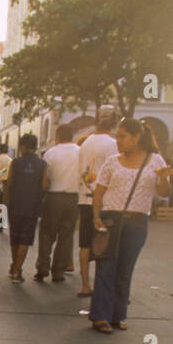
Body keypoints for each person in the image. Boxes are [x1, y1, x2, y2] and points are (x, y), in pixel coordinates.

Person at [89, 118, 173, 332]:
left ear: (137, 137)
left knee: (125, 270)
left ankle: (118, 315)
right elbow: (99, 191)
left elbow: (164, 193)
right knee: (106, 268)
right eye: (117, 136)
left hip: (137, 221)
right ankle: (100, 316)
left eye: (123, 136)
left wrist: (164, 179)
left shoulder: (155, 161)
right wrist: (96, 216)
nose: (118, 141)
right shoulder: (112, 161)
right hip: (111, 218)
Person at [77, 110, 118, 297]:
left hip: (84, 199)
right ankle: (104, 288)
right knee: (105, 245)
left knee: (84, 244)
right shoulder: (113, 144)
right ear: (112, 128)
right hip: (104, 202)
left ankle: (85, 285)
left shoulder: (85, 143)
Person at [35, 124, 80, 282]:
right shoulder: (80, 152)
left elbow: (45, 181)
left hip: (53, 197)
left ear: (58, 136)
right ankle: (58, 271)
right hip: (73, 198)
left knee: (47, 234)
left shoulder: (50, 153)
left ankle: (43, 267)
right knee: (66, 236)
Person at [4, 134, 47, 282]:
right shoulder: (42, 164)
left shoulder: (15, 163)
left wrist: (4, 204)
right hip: (32, 206)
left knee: (14, 237)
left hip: (15, 205)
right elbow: (44, 186)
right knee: (25, 239)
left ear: (22, 146)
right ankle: (17, 270)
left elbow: (8, 184)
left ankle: (14, 265)